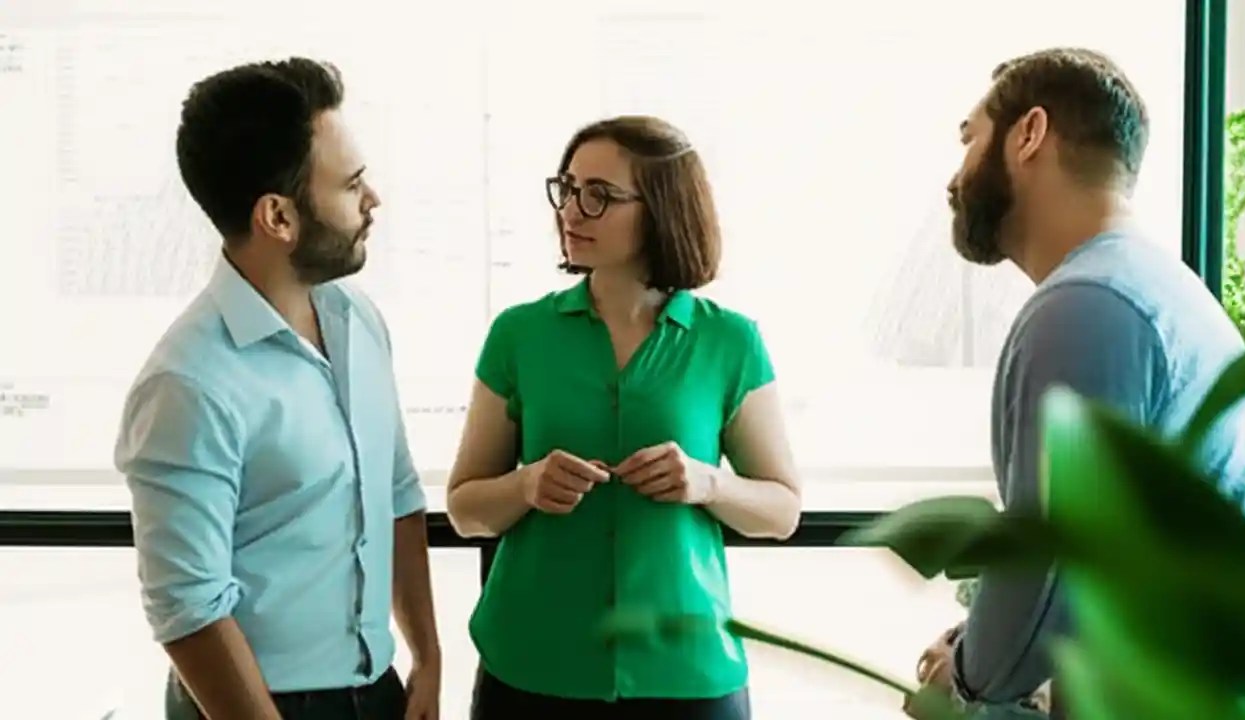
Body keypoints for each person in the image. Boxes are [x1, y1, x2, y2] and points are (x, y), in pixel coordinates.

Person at [908, 47, 1245, 719]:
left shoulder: (1086, 306)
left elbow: (1047, 558)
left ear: (1029, 134)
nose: (955, 177)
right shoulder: (1156, 290)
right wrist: (975, 645)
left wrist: (965, 685)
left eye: (971, 139)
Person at [114, 57, 442, 720]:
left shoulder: (359, 321)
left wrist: (428, 660)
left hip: (378, 691)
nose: (372, 200)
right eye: (351, 186)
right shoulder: (188, 383)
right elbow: (188, 608)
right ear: (278, 217)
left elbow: (397, 493)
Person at [446, 115, 802, 719]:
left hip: (687, 674)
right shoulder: (518, 335)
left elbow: (782, 510)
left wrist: (707, 482)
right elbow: (464, 507)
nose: (571, 212)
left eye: (599, 196)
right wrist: (527, 484)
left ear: (662, 209)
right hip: (531, 667)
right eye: (567, 188)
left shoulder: (731, 342)